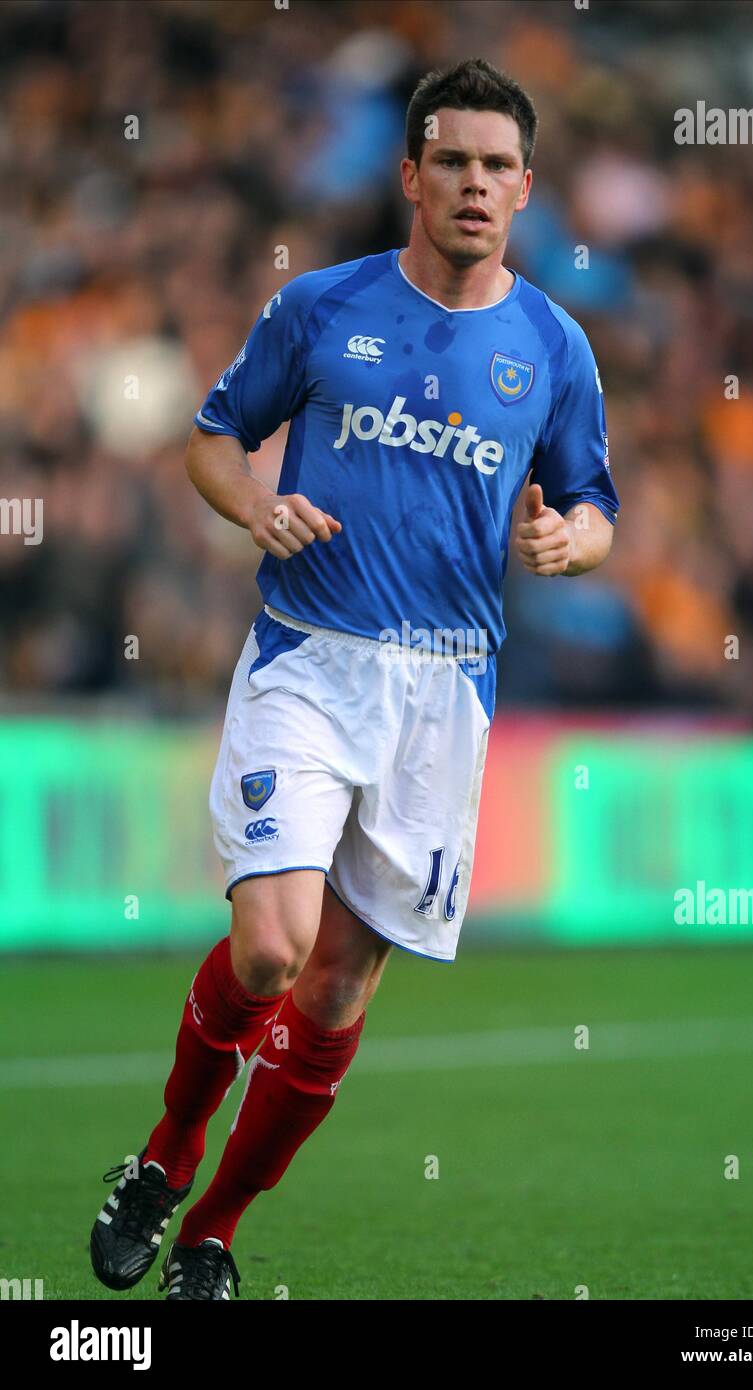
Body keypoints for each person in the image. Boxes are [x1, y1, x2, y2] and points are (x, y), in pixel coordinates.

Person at [90, 56, 619, 1301]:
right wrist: (257, 505)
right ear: (409, 176)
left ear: (525, 187)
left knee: (332, 991)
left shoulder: (552, 345)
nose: (473, 184)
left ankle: (214, 1230)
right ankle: (167, 1151)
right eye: (450, 160)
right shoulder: (320, 308)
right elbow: (213, 438)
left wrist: (565, 541)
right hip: (310, 666)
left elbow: (595, 505)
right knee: (272, 950)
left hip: (444, 698)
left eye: (495, 165)